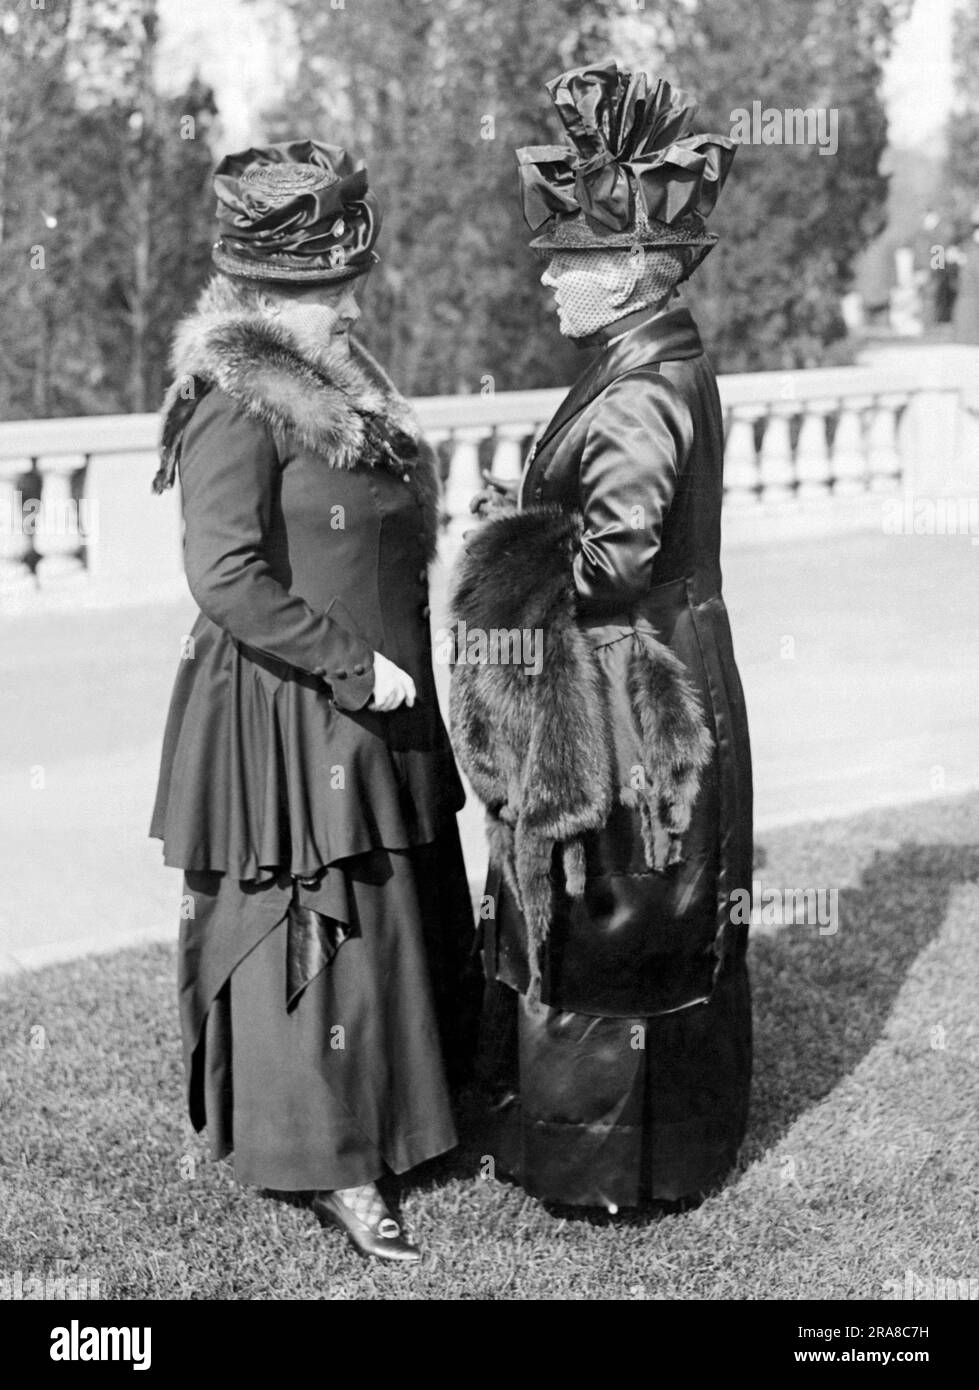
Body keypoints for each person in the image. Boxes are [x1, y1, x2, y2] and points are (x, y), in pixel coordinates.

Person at [150, 140, 477, 1262]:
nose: (346, 306)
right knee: (316, 928)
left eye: (345, 285)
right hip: (294, 705)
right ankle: (331, 1162)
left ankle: (402, 1122)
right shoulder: (232, 401)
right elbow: (224, 575)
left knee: (388, 917)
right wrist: (351, 667)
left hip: (378, 696)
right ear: (264, 299)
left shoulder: (344, 377)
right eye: (322, 293)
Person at [450, 62, 753, 1210]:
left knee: (613, 902)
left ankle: (609, 1163)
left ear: (628, 270)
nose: (552, 287)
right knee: (640, 901)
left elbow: (611, 564)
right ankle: (643, 1143)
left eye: (568, 265)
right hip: (662, 663)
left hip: (635, 688)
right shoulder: (653, 356)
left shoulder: (634, 388)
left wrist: (500, 545)